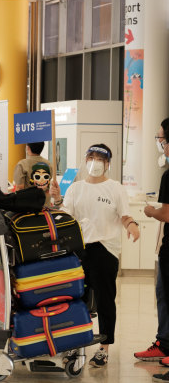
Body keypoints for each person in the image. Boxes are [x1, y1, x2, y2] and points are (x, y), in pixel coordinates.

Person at [50, 143, 140, 367]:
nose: (95, 161)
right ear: (85, 160)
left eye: (100, 158)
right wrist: (57, 200)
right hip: (79, 249)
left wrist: (132, 225)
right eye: (91, 157)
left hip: (105, 249)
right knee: (74, 298)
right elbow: (66, 216)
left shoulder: (115, 188)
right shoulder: (76, 188)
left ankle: (104, 347)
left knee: (104, 299)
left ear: (108, 164)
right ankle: (74, 342)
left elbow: (125, 214)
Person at [135, 119, 169, 379]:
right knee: (161, 293)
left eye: (161, 138)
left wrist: (149, 211)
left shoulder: (168, 176)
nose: (160, 143)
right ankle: (163, 343)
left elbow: (167, 214)